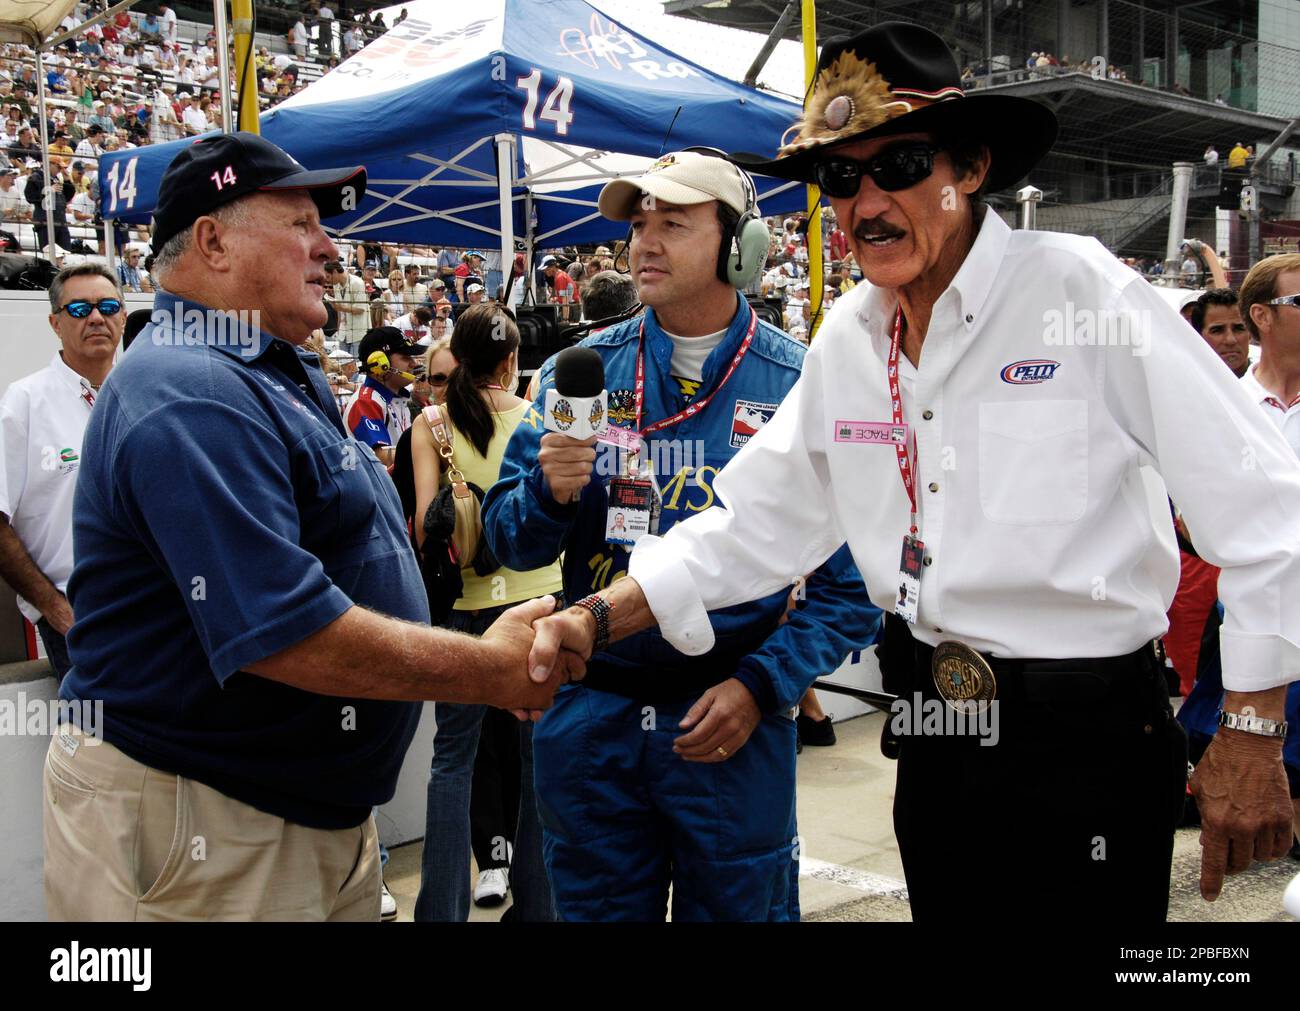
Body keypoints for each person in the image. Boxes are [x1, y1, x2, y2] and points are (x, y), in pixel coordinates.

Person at [525, 23, 1300, 922]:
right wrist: (592, 619)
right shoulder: (849, 337)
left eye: (897, 165)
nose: (865, 202)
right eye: (840, 178)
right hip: (936, 725)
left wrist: (1251, 723)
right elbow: (756, 525)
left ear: (967, 169)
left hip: (1083, 733)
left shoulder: (1080, 292)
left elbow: (1264, 504)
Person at [45, 132, 581, 922]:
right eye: (299, 224)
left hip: (286, 820)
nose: (329, 247)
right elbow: (284, 631)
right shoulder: (189, 389)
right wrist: (485, 668)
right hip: (211, 830)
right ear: (213, 241)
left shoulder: (258, 365)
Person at [482, 150, 878, 921]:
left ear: (742, 246)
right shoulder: (581, 372)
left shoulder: (801, 384)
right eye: (638, 224)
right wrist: (548, 491)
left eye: (674, 222)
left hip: (729, 723)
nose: (645, 243)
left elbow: (853, 584)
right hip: (593, 724)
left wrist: (762, 684)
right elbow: (510, 542)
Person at [411, 303, 562, 922]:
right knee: (536, 770)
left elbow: (425, 527)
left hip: (465, 614)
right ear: (512, 359)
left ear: (459, 359)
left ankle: (440, 911)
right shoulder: (537, 417)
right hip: (539, 609)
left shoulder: (431, 424)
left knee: (453, 764)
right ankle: (538, 908)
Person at [0, 265, 123, 680]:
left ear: (123, 317)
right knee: (101, 737)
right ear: (55, 322)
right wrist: (53, 607)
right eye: (79, 309)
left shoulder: (144, 397)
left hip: (153, 611)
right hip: (77, 619)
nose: (96, 318)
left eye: (108, 307)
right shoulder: (24, 403)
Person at [343, 325, 419, 467]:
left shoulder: (397, 398)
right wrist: (428, 452)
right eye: (405, 357)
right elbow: (380, 455)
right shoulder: (366, 402)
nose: (413, 363)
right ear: (379, 363)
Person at [1188, 287, 1250, 377]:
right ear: (1198, 337)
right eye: (1217, 330)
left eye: (1239, 329)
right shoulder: (1185, 384)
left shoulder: (1273, 385)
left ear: (1250, 334)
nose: (1230, 340)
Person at [325, 259, 368, 355]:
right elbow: (340, 311)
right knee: (343, 366)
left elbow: (361, 309)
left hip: (358, 334)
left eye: (328, 276)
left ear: (335, 272)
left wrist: (340, 307)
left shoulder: (357, 283)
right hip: (343, 333)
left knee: (356, 365)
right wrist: (338, 329)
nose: (327, 280)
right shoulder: (336, 285)